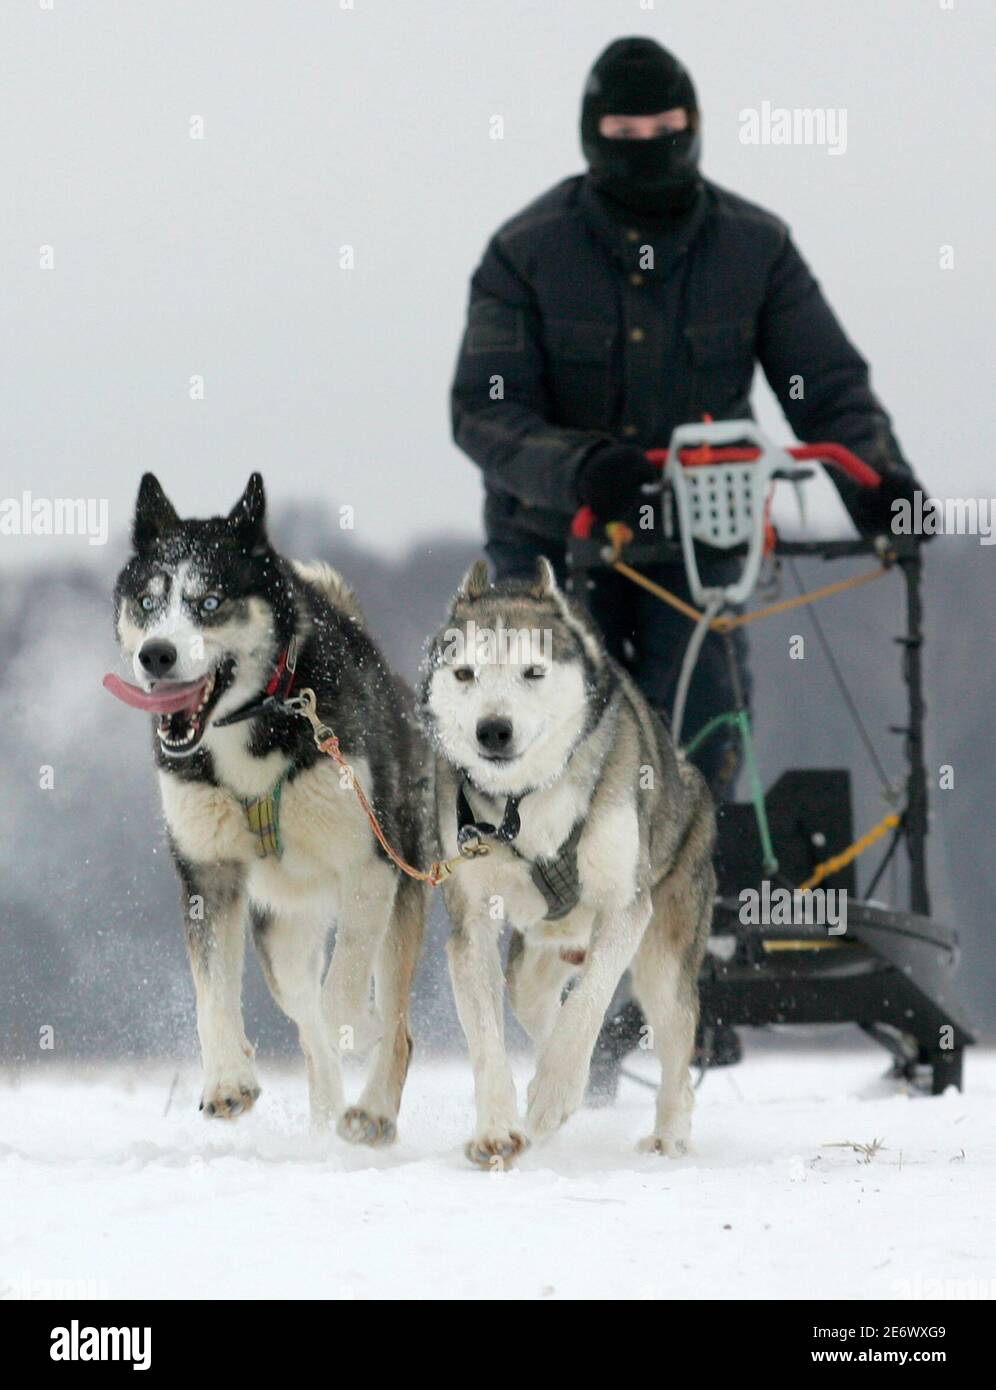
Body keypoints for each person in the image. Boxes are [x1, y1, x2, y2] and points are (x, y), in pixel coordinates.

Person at [450, 36, 923, 1089]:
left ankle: (673, 979)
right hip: (549, 558)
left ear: (696, 131)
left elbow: (825, 392)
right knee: (548, 759)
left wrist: (879, 480)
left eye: (665, 137)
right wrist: (586, 471)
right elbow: (483, 413)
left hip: (695, 558)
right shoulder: (525, 253)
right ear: (591, 138)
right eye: (625, 139)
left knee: (697, 746)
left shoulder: (755, 249)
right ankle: (554, 971)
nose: (648, 153)